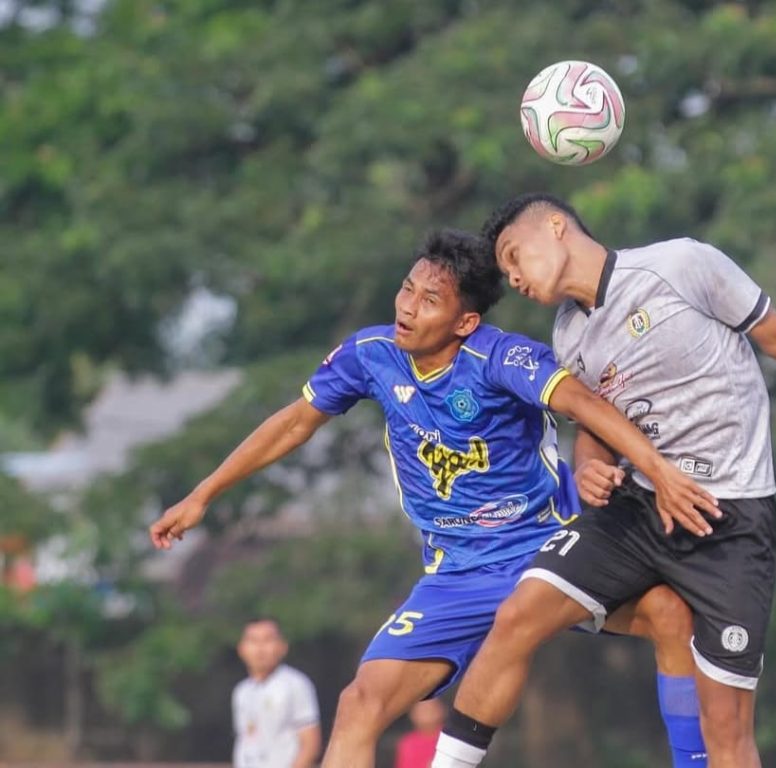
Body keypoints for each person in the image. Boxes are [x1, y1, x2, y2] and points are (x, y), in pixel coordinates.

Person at [149, 228, 717, 768]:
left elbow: (586, 404)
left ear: (466, 320)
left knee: (670, 614)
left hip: (546, 549)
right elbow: (296, 423)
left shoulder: (500, 359)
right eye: (407, 289)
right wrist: (203, 494)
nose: (408, 306)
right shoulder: (370, 354)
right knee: (358, 704)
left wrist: (654, 472)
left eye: (430, 299)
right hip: (455, 575)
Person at [430, 194, 776, 768]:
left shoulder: (680, 265)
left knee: (726, 733)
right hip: (636, 510)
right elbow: (597, 421)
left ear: (555, 227)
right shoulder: (569, 334)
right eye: (506, 272)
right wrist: (593, 463)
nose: (514, 277)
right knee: (519, 614)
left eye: (514, 256)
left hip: (729, 522)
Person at [231, 617, 321, 768]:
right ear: (241, 649)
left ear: (282, 647)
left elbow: (310, 743)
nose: (260, 648)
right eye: (253, 641)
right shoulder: (241, 691)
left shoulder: (295, 684)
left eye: (267, 640)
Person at [394, 699, 446, 768]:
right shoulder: (408, 742)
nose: (428, 713)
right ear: (413, 715)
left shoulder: (449, 737)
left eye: (430, 709)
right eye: (423, 710)